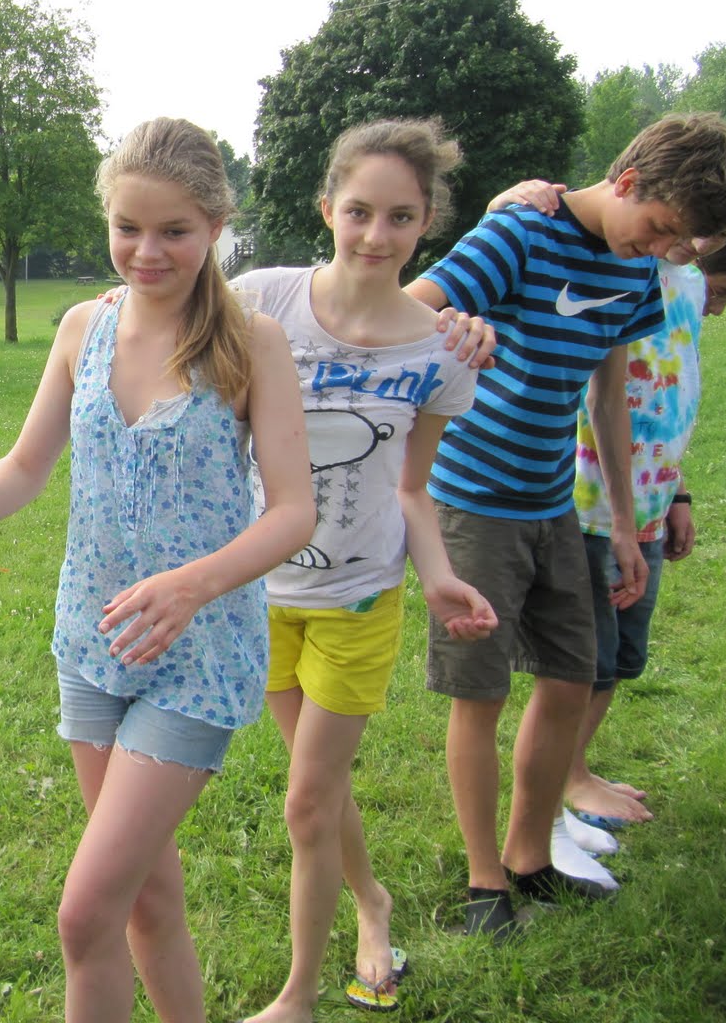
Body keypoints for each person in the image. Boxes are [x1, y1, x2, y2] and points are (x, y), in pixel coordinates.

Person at [0, 118, 316, 1022]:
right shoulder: (84, 325)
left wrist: (195, 585)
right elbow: (28, 465)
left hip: (197, 658)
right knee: (146, 897)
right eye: (127, 228)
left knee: (86, 914)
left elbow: (292, 510)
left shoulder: (251, 343)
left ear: (217, 227)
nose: (145, 251)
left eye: (174, 232)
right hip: (91, 640)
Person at [407, 112, 726, 938]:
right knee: (480, 694)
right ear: (627, 182)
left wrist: (628, 526)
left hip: (554, 503)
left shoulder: (634, 272)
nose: (664, 252)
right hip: (473, 503)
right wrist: (451, 327)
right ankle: (485, 883)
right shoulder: (521, 231)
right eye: (662, 228)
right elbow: (404, 307)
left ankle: (530, 859)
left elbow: (608, 396)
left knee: (571, 677)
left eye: (683, 246)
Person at [228, 119, 497, 1020]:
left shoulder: (443, 351)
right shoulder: (260, 298)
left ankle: (299, 993)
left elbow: (415, 491)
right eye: (359, 212)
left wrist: (440, 578)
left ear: (427, 225)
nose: (377, 236)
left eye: (400, 217)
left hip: (357, 600)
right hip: (258, 593)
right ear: (326, 208)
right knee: (320, 786)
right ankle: (372, 899)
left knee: (307, 800)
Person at [486, 187, 726, 886]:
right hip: (589, 499)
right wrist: (512, 195)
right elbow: (580, 209)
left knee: (618, 658)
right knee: (583, 663)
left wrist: (681, 491)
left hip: (648, 503)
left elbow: (668, 396)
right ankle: (556, 798)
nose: (685, 246)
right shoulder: (651, 260)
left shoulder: (680, 283)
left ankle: (568, 783)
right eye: (722, 286)